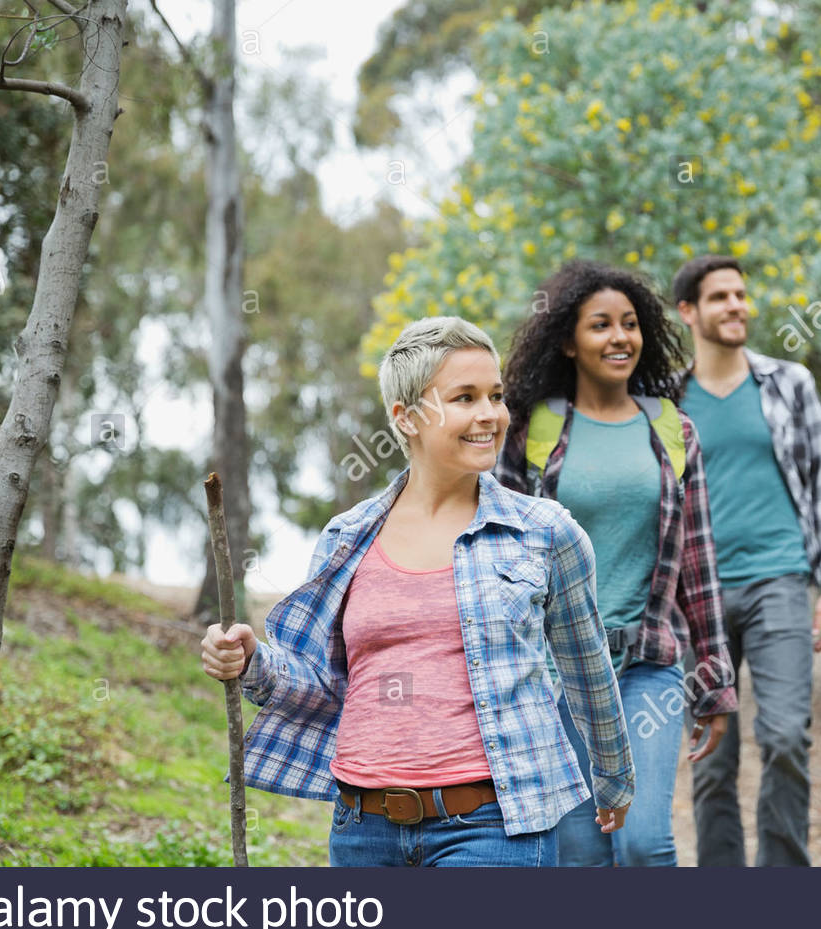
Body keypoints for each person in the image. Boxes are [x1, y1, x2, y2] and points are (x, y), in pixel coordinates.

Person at [200, 316, 634, 867]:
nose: (490, 415)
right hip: (362, 828)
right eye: (464, 398)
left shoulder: (544, 532)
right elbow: (322, 681)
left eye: (496, 396)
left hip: (493, 827)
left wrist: (613, 774)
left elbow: (586, 665)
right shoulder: (347, 537)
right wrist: (252, 661)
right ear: (406, 418)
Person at [495, 261, 737, 866]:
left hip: (648, 666)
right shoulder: (531, 430)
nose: (620, 337)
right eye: (600, 325)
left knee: (643, 843)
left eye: (630, 324)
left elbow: (698, 564)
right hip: (556, 672)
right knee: (579, 854)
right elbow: (496, 559)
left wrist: (714, 679)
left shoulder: (673, 430)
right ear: (567, 341)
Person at [672, 255, 821, 867]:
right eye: (720, 296)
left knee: (784, 739)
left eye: (741, 295)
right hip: (697, 597)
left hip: (779, 579)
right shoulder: (663, 399)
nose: (736, 306)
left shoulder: (787, 382)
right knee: (712, 754)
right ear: (688, 312)